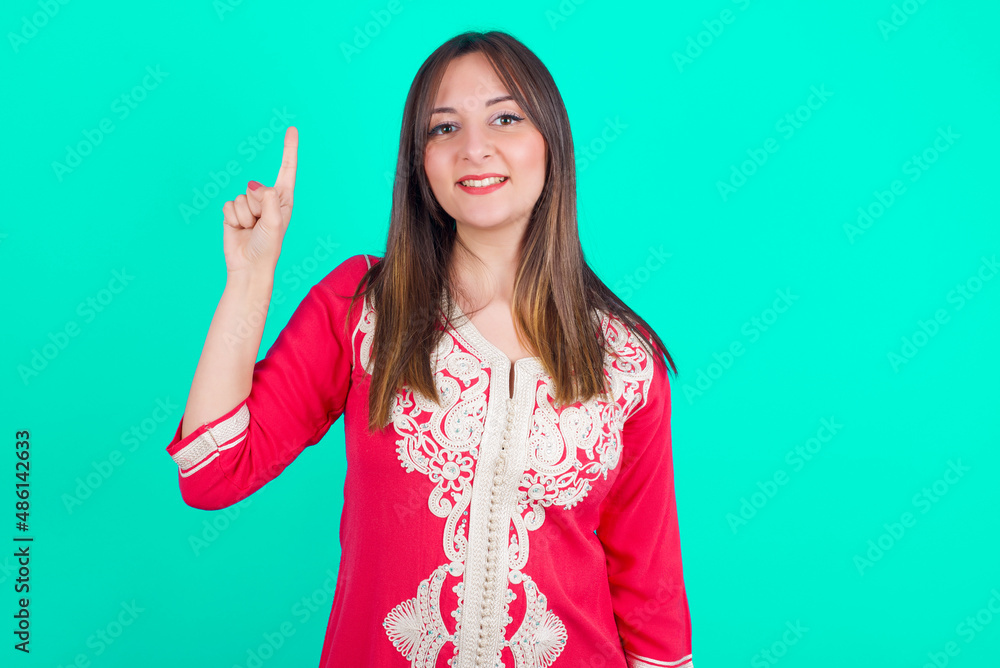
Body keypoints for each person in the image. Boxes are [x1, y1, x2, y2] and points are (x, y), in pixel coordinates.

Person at [165, 30, 693, 668]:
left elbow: (651, 596)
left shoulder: (624, 361)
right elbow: (210, 473)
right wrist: (250, 282)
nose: (475, 148)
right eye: (444, 129)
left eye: (505, 117)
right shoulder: (365, 311)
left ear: (551, 141)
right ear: (419, 162)